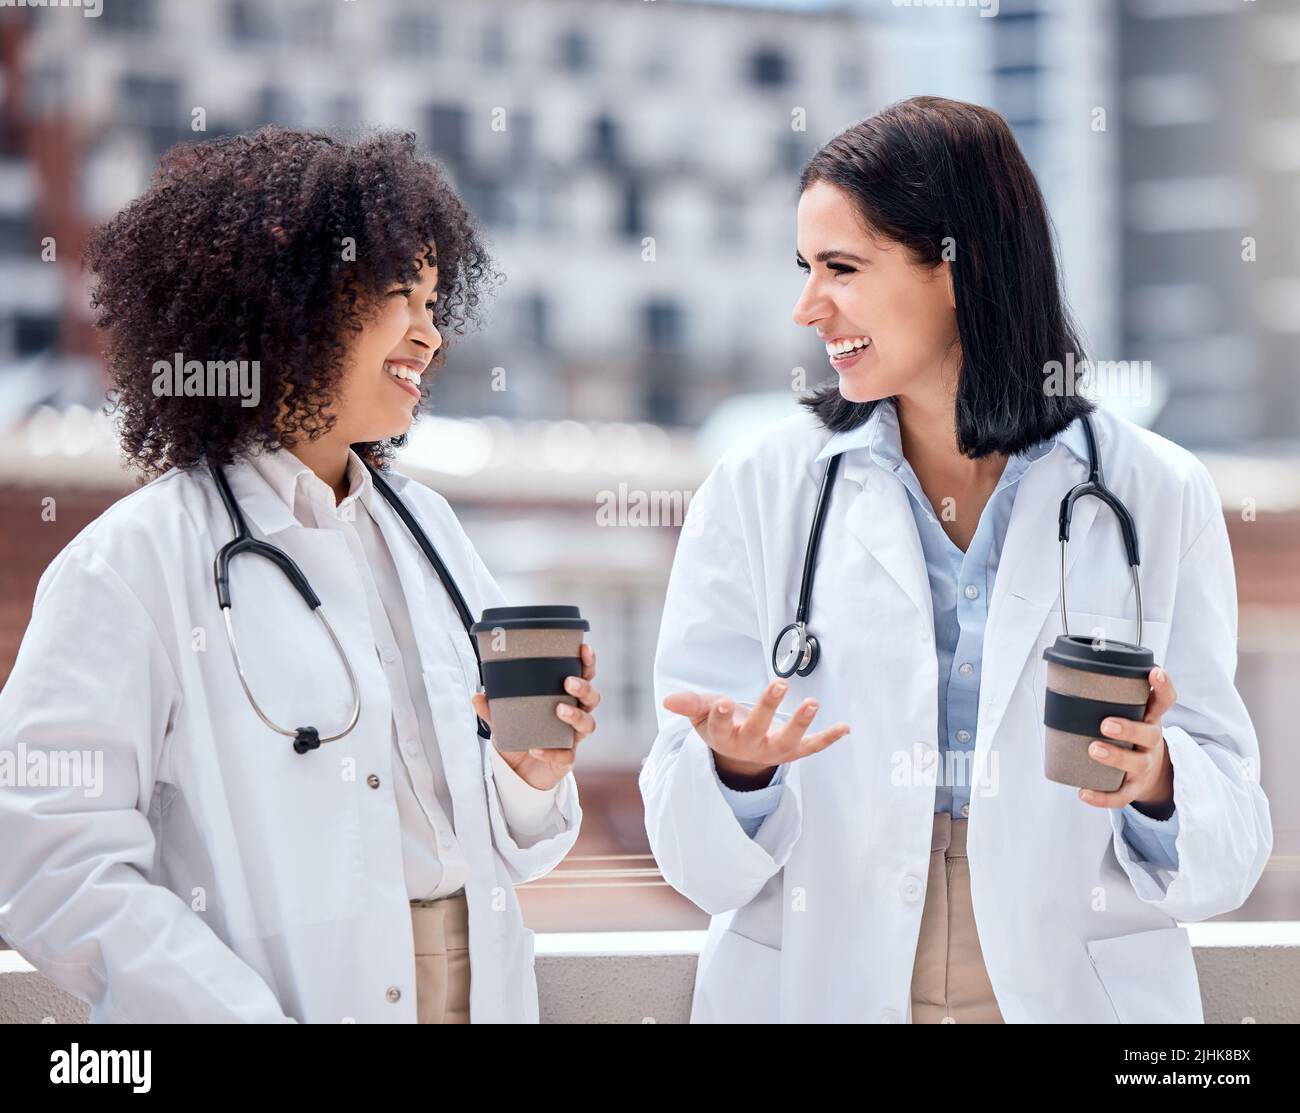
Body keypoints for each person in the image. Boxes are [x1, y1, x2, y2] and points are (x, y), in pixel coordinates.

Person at [641, 97, 1272, 1024]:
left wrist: (1160, 780)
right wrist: (737, 772)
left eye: (841, 268)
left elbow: (1235, 838)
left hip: (1063, 984)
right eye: (805, 269)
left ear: (956, 263)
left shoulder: (1157, 491)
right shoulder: (758, 489)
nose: (807, 306)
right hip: (826, 970)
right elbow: (689, 851)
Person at [0, 126, 601, 1023]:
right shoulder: (131, 563)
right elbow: (50, 864)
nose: (431, 333)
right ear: (289, 302)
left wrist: (528, 774)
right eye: (399, 295)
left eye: (435, 301)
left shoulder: (431, 533)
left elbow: (511, 847)